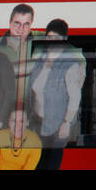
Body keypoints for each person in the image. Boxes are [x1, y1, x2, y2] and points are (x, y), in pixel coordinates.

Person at [30, 19, 87, 170]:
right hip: (37, 123)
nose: (52, 42)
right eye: (49, 38)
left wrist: (66, 123)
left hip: (56, 126)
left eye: (57, 38)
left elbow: (75, 97)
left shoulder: (70, 63)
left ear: (64, 40)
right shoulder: (39, 58)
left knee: (50, 165)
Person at [0, 4, 38, 130]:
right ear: (9, 23)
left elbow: (67, 47)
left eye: (26, 24)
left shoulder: (39, 40)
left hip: (30, 113)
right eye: (17, 23)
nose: (21, 29)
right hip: (2, 113)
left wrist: (80, 64)